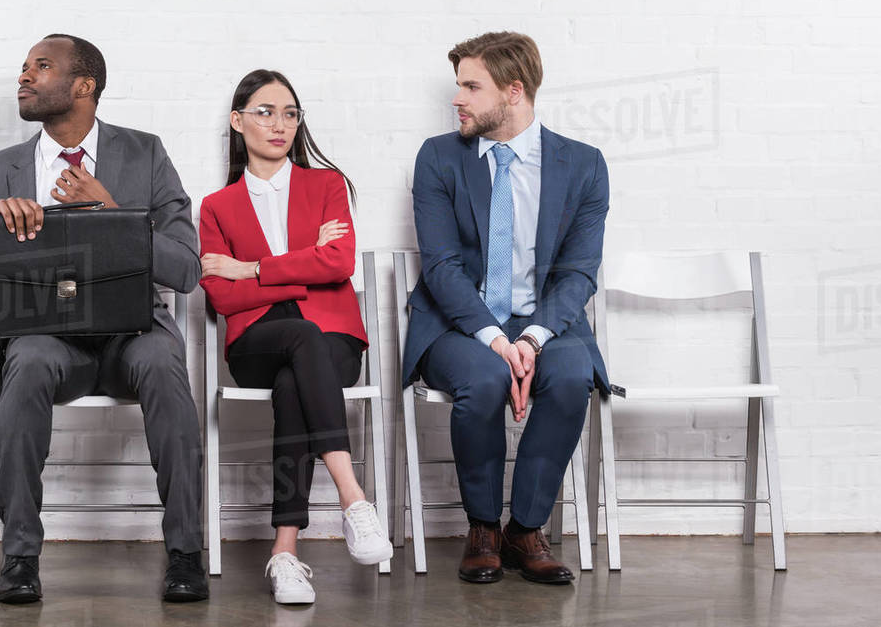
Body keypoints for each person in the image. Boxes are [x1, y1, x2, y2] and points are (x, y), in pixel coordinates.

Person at [0, 34, 208, 604]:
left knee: (163, 360)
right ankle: (20, 557)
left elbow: (186, 269)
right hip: (46, 338)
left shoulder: (146, 154)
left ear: (84, 86)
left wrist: (114, 212)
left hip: (131, 332)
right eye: (24, 67)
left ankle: (186, 551)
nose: (24, 76)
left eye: (42, 66)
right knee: (29, 358)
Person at [404, 32, 610, 586]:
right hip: (458, 322)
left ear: (513, 91)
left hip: (545, 320)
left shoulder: (584, 165)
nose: (458, 99)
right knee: (484, 379)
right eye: (458, 86)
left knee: (571, 376)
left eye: (472, 86)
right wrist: (498, 341)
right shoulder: (439, 158)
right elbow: (442, 267)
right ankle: (482, 529)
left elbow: (577, 273)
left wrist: (532, 339)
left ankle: (525, 529)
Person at [198, 69, 393, 606]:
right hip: (257, 341)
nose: (279, 124)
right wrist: (300, 263)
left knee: (296, 380)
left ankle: (284, 553)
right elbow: (221, 297)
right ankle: (355, 499)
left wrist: (251, 268)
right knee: (297, 340)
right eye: (264, 112)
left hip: (332, 339)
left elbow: (340, 262)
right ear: (238, 122)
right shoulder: (218, 205)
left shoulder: (326, 185)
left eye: (290, 113)